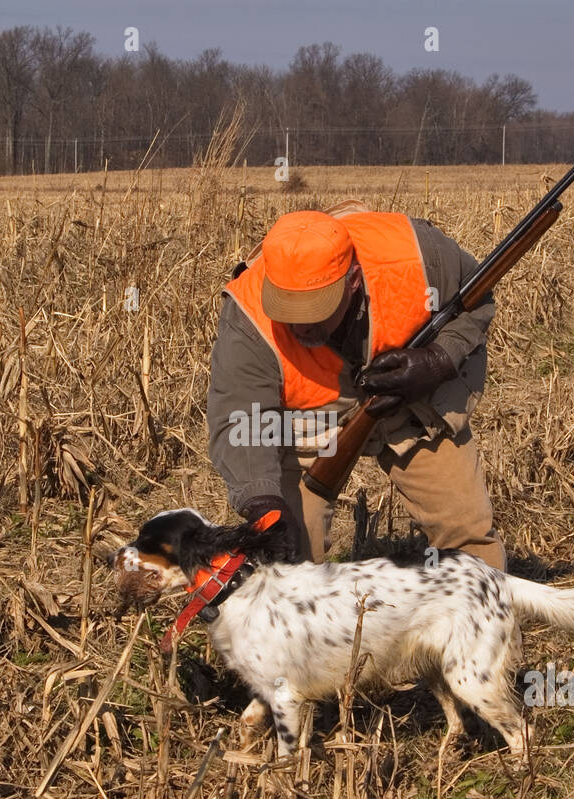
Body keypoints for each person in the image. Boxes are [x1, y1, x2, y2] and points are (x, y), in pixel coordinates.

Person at [207, 205, 506, 572]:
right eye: (288, 310)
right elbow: (242, 418)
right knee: (287, 558)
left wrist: (438, 360)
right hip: (308, 427)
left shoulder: (418, 254)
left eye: (315, 310)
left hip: (412, 400)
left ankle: (489, 626)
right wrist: (263, 503)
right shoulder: (248, 315)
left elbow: (476, 300)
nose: (300, 327)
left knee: (469, 537)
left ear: (352, 280)